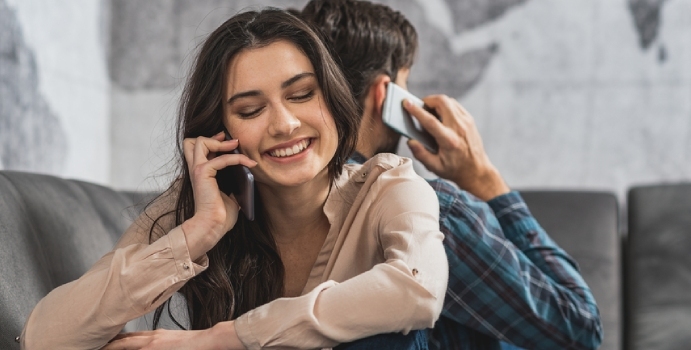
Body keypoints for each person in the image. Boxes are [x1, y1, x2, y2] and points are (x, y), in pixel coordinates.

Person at [19, 8, 448, 349]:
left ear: (334, 100)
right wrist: (195, 235)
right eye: (250, 110)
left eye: (301, 95)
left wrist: (226, 339)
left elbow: (418, 291)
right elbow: (45, 341)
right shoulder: (198, 209)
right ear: (219, 132)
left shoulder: (392, 187)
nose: (284, 124)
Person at [299, 1, 603, 349]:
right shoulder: (431, 211)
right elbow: (580, 328)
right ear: (385, 95)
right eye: (406, 84)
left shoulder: (279, 200)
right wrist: (486, 181)